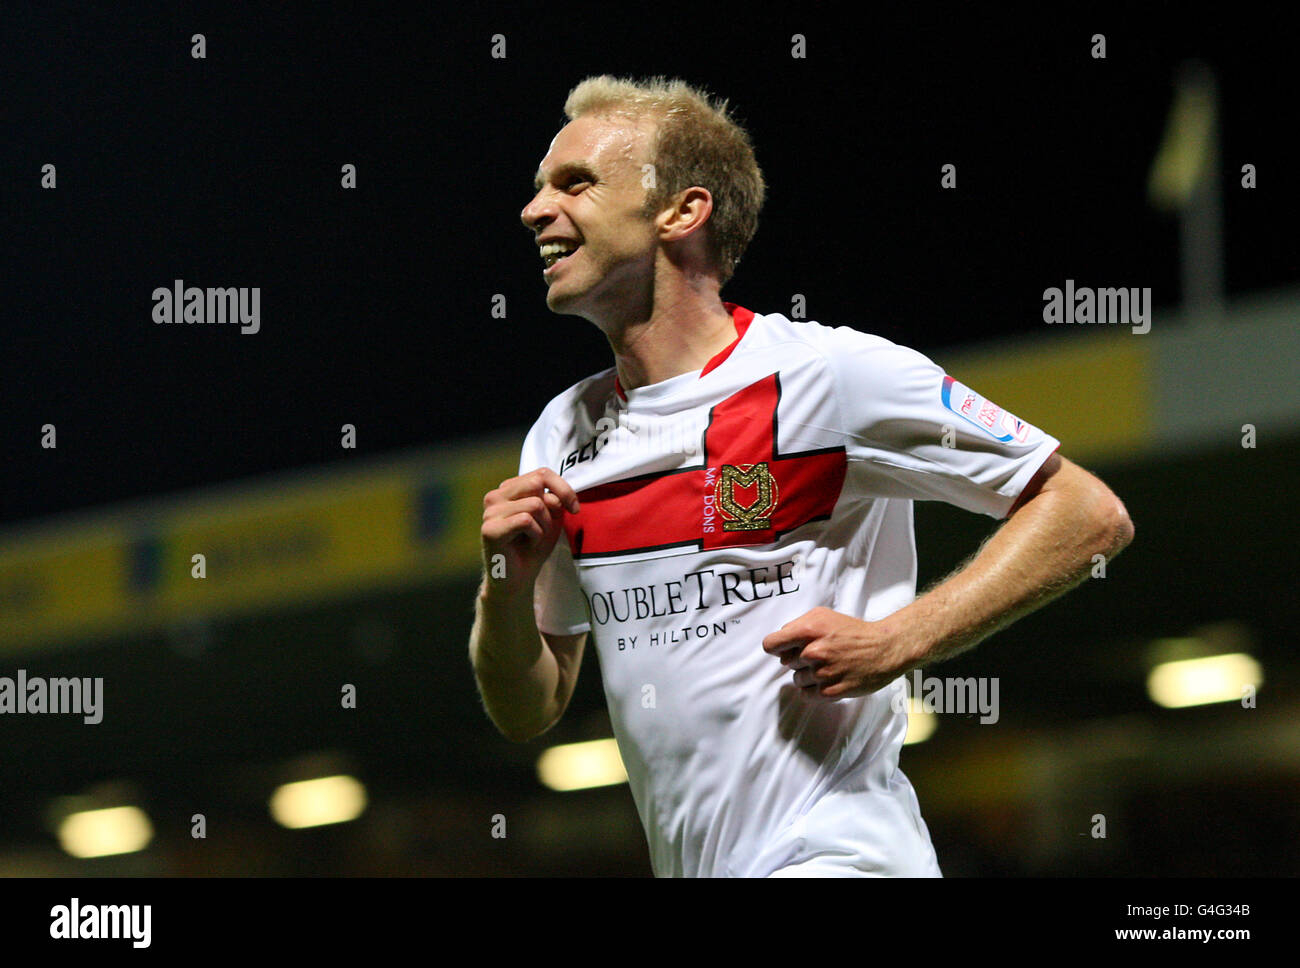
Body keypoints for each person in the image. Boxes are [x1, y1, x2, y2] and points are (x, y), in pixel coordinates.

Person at [469, 75, 1134, 877]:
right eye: (539, 187)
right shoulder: (560, 432)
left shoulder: (830, 376)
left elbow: (1085, 510)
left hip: (839, 857)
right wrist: (503, 588)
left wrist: (900, 639)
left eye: (575, 183)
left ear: (683, 211)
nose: (535, 209)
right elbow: (529, 705)